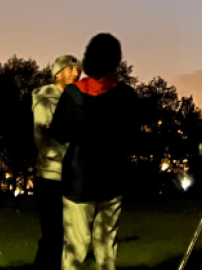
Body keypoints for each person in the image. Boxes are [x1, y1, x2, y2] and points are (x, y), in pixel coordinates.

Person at [46, 33, 138, 270]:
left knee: (75, 248)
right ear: (116, 60)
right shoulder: (125, 95)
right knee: (106, 247)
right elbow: (131, 139)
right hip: (112, 179)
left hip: (78, 180)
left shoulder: (73, 94)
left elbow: (58, 134)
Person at [31, 55, 82, 270]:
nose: (76, 74)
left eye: (78, 70)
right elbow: (42, 138)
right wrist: (69, 153)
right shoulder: (45, 100)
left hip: (73, 175)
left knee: (71, 234)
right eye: (70, 69)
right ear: (58, 73)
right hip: (50, 175)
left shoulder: (77, 101)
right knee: (53, 234)